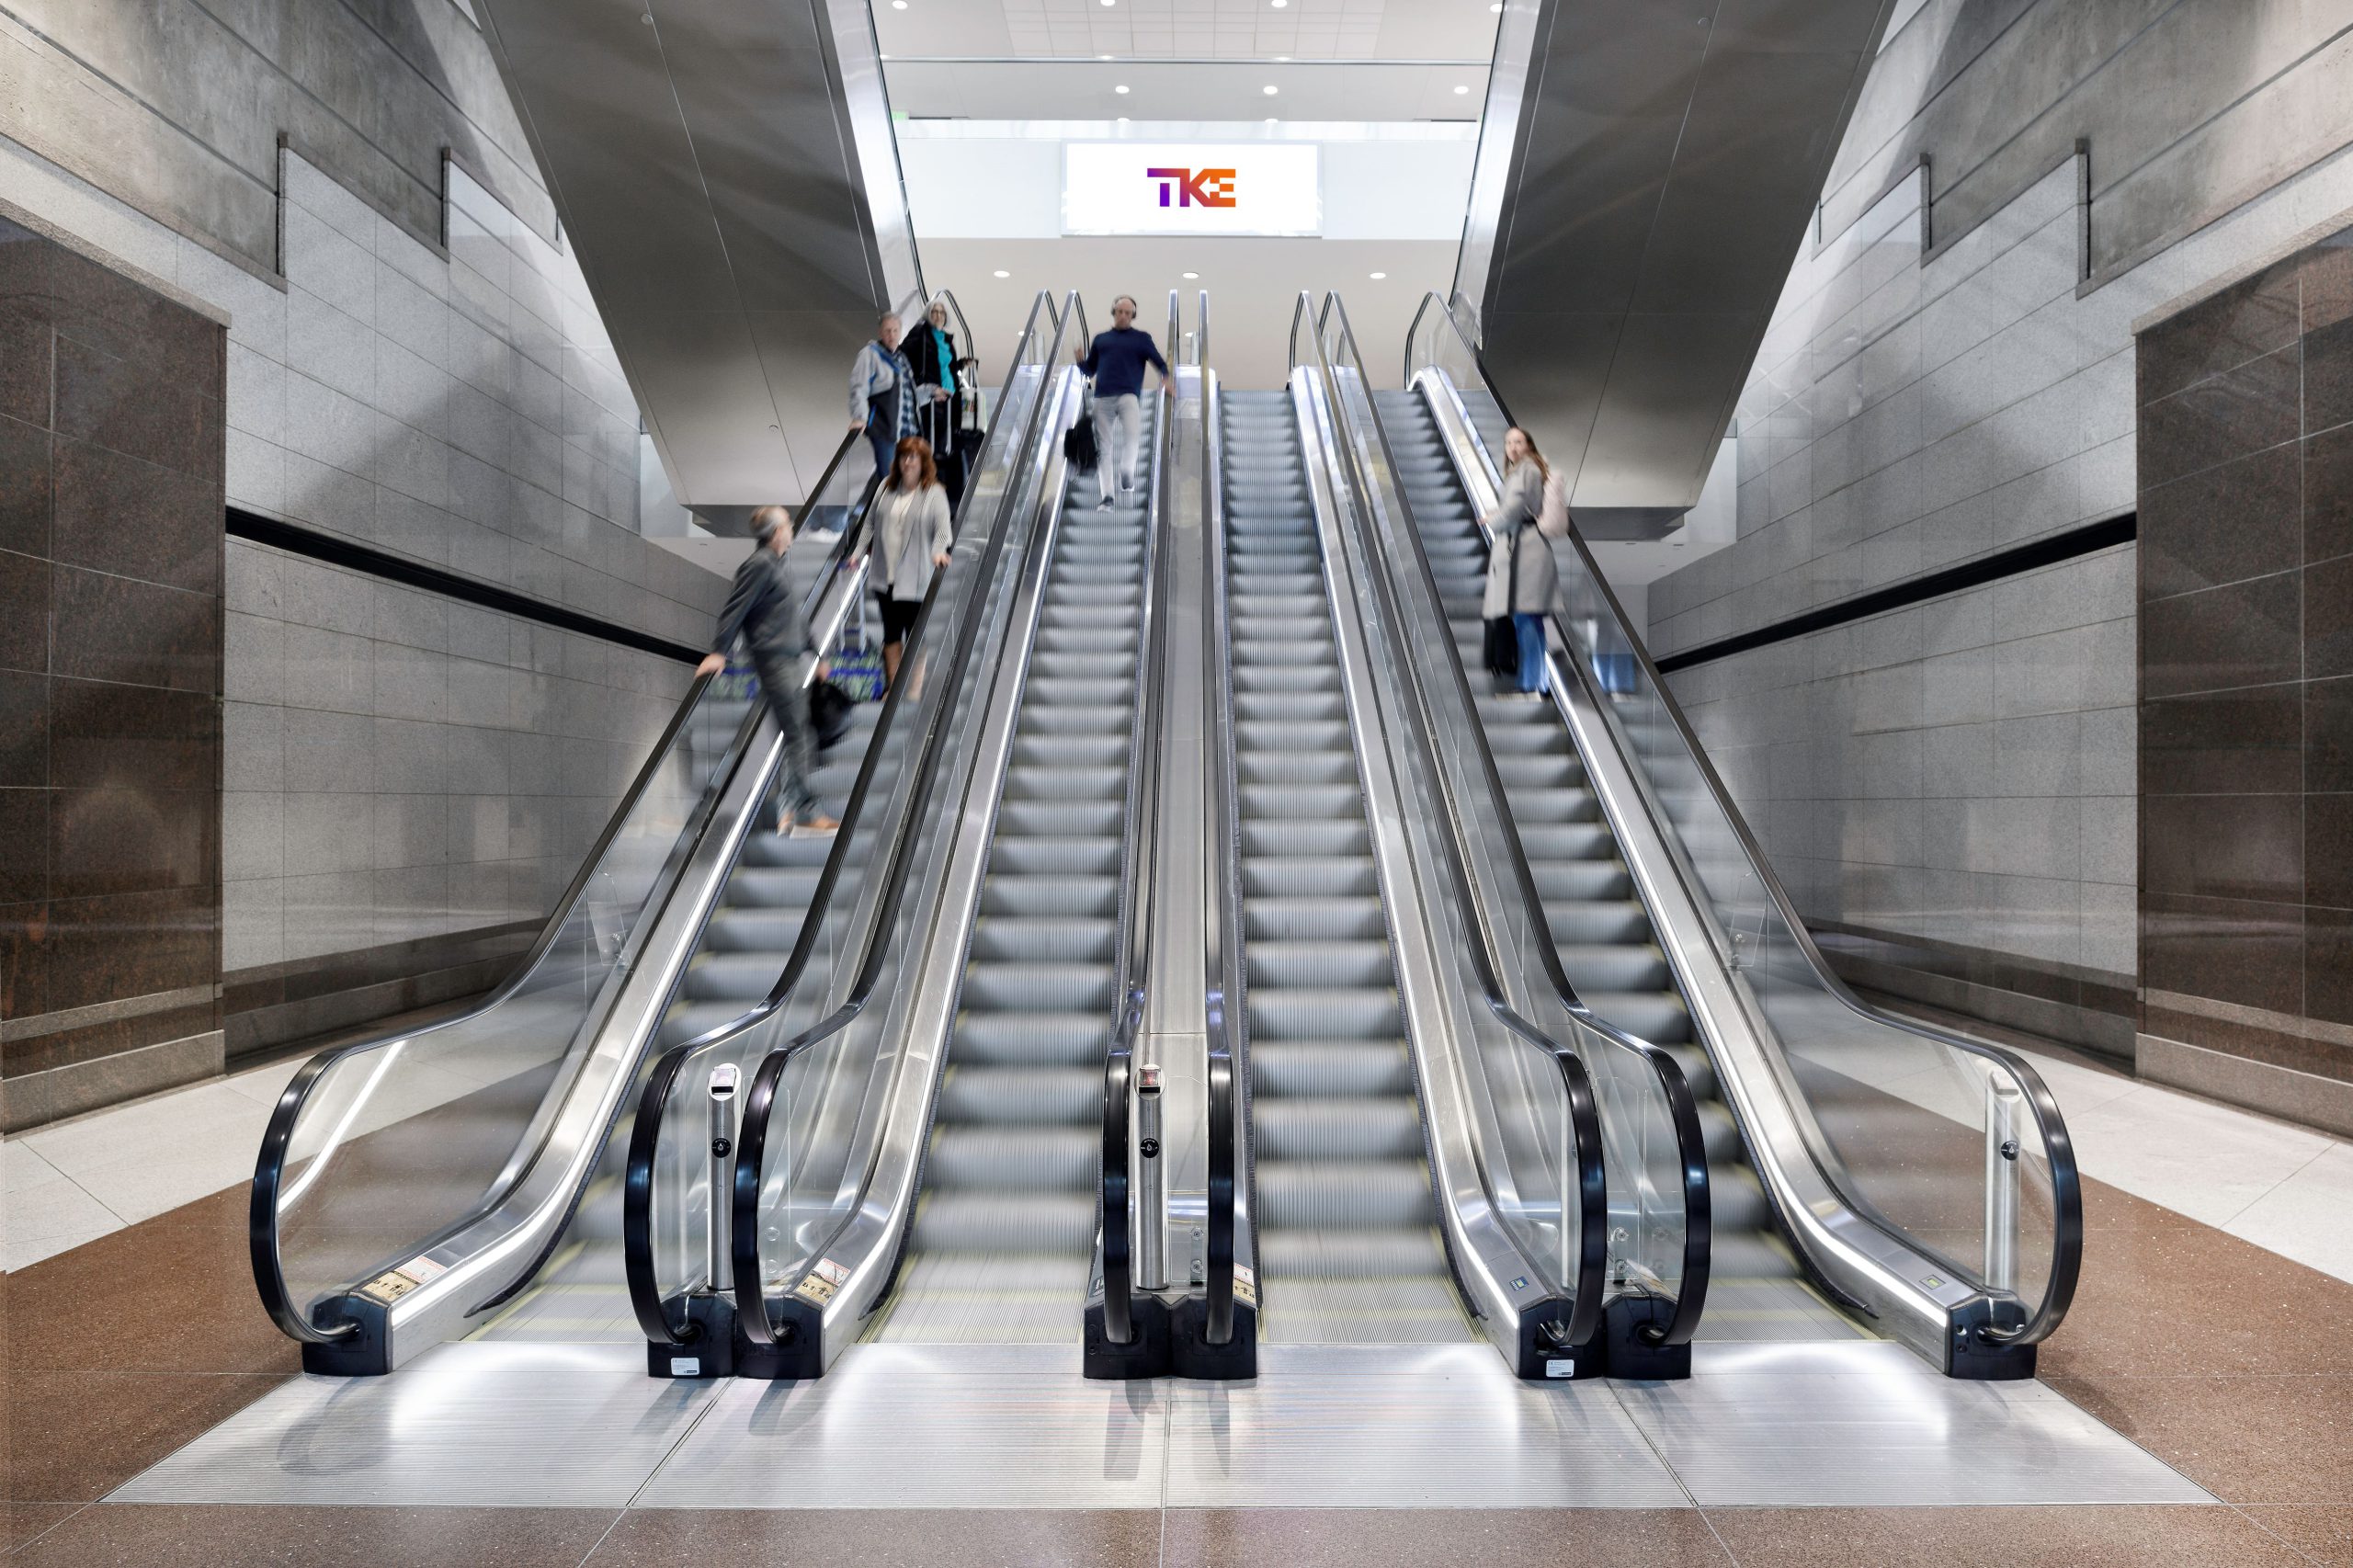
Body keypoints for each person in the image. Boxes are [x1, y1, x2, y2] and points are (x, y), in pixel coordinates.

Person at [699, 506, 839, 835]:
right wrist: (719, 652)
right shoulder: (758, 566)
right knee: (799, 734)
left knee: (799, 734)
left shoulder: (776, 566)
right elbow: (736, 608)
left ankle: (791, 811)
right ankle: (801, 810)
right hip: (774, 662)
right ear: (776, 533)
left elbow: (793, 617)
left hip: (789, 659)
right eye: (788, 526)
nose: (792, 531)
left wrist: (816, 654)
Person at [1481, 426, 1559, 700]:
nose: (1512, 447)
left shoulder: (1528, 470)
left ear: (1528, 445)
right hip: (1524, 548)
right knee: (1527, 618)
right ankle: (1536, 683)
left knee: (1526, 618)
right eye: (1508, 442)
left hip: (1528, 550)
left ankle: (1532, 686)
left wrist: (1494, 519)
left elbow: (1515, 507)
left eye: (1518, 441)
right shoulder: (1522, 471)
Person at [871, 435, 953, 688]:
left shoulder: (934, 493)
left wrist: (939, 550)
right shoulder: (886, 486)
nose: (907, 462)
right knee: (891, 634)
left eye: (913, 457)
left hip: (916, 576)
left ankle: (915, 690)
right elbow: (869, 523)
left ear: (923, 461)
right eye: (903, 456)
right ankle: (894, 688)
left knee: (917, 636)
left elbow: (943, 529)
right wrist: (855, 553)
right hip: (886, 575)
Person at [1074, 294, 1168, 509]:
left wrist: (1166, 378)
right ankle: (1107, 496)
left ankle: (1127, 472)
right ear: (1114, 313)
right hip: (1102, 398)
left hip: (1128, 396)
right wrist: (1080, 361)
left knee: (1132, 438)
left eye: (1128, 313)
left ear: (1132, 315)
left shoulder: (1142, 339)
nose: (1123, 316)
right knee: (1104, 448)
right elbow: (1090, 370)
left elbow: (1159, 362)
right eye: (1120, 312)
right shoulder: (1101, 339)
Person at [849, 312, 919, 482]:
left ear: (900, 333)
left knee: (908, 483)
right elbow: (859, 386)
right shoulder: (870, 354)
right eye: (887, 331)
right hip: (884, 430)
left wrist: (932, 392)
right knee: (890, 481)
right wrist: (860, 417)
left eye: (895, 331)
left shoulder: (902, 358)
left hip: (908, 432)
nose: (891, 335)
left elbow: (909, 395)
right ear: (880, 333)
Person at [904, 301, 961, 462]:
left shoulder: (946, 339)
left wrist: (963, 363)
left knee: (945, 443)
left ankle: (938, 476)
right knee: (928, 441)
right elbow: (903, 356)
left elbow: (948, 366)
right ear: (928, 315)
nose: (938, 316)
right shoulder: (920, 332)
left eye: (941, 312)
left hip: (950, 397)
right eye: (934, 312)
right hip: (932, 396)